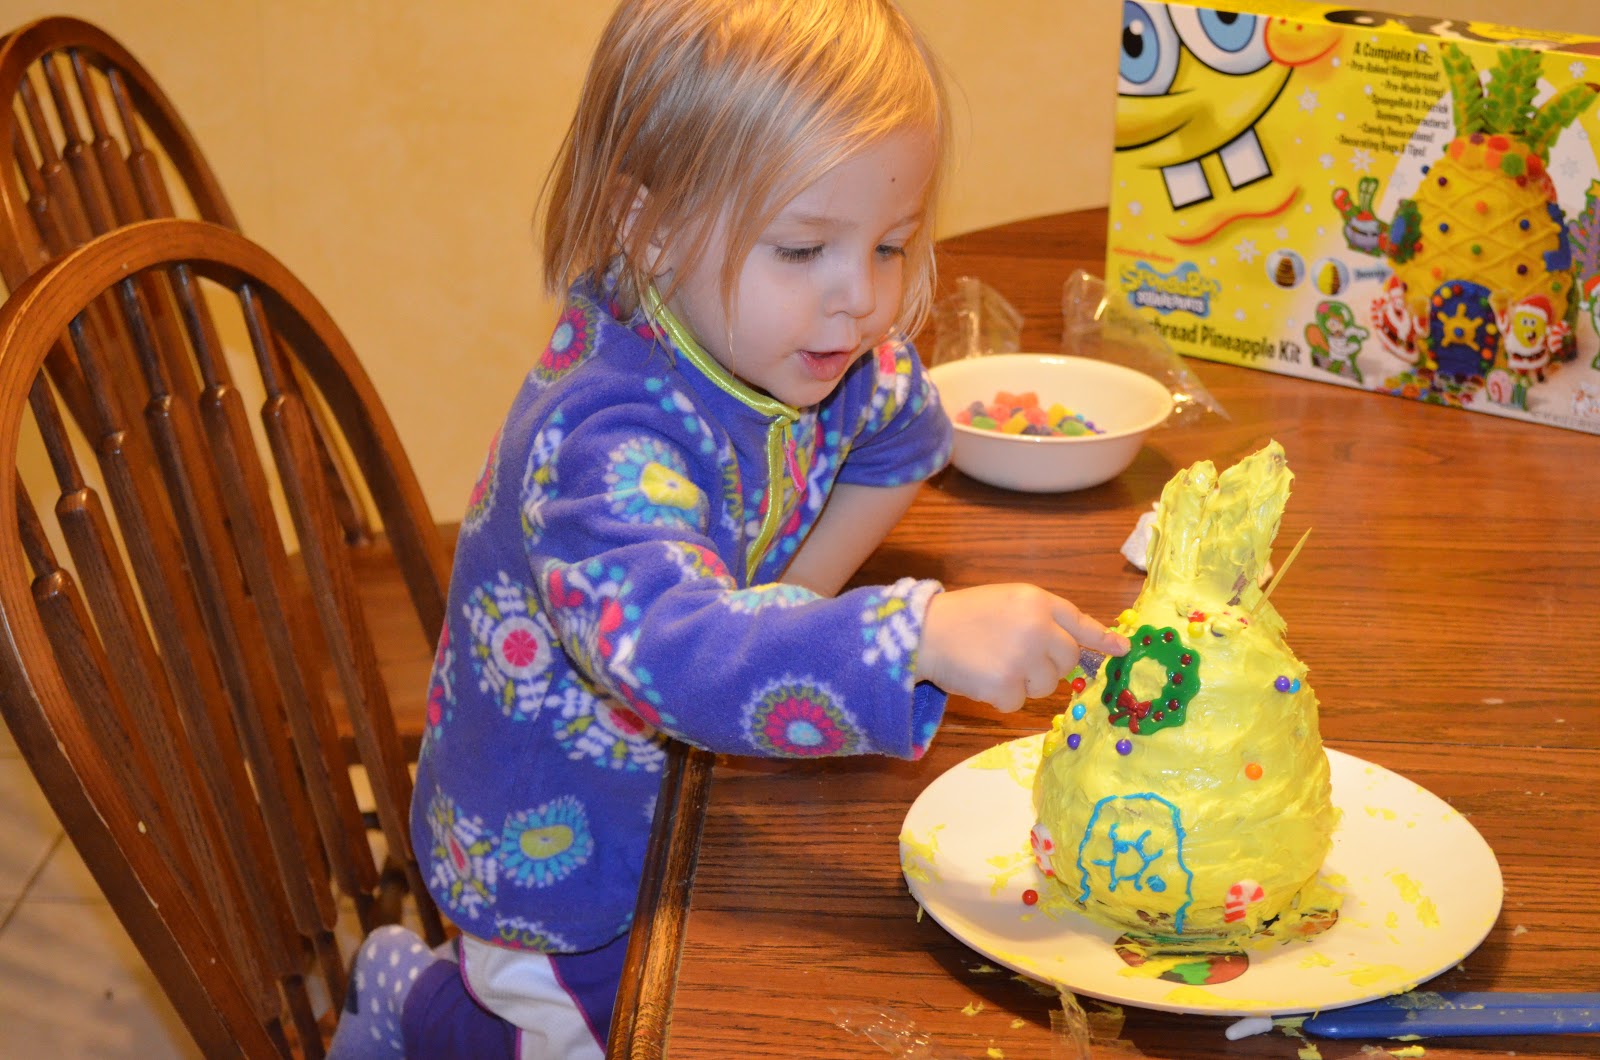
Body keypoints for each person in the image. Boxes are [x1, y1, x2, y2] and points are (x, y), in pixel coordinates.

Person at [330, 0, 1127, 1055]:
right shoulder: (597, 444)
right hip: (556, 861)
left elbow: (903, 433)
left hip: (683, 794)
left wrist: (789, 598)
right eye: (803, 248)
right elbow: (676, 650)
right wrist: (911, 633)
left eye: (889, 242)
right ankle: (423, 1004)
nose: (860, 299)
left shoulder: (820, 352)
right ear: (646, 226)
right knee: (603, 1032)